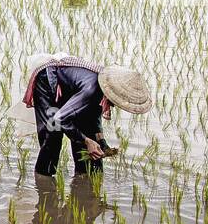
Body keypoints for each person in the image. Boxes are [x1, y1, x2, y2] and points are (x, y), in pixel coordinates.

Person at [22, 54, 152, 178]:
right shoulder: (91, 89)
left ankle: (84, 176)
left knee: (87, 134)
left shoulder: (100, 90)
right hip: (48, 81)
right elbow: (59, 119)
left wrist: (101, 142)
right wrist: (87, 141)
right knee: (52, 134)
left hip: (73, 88)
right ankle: (44, 180)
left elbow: (93, 116)